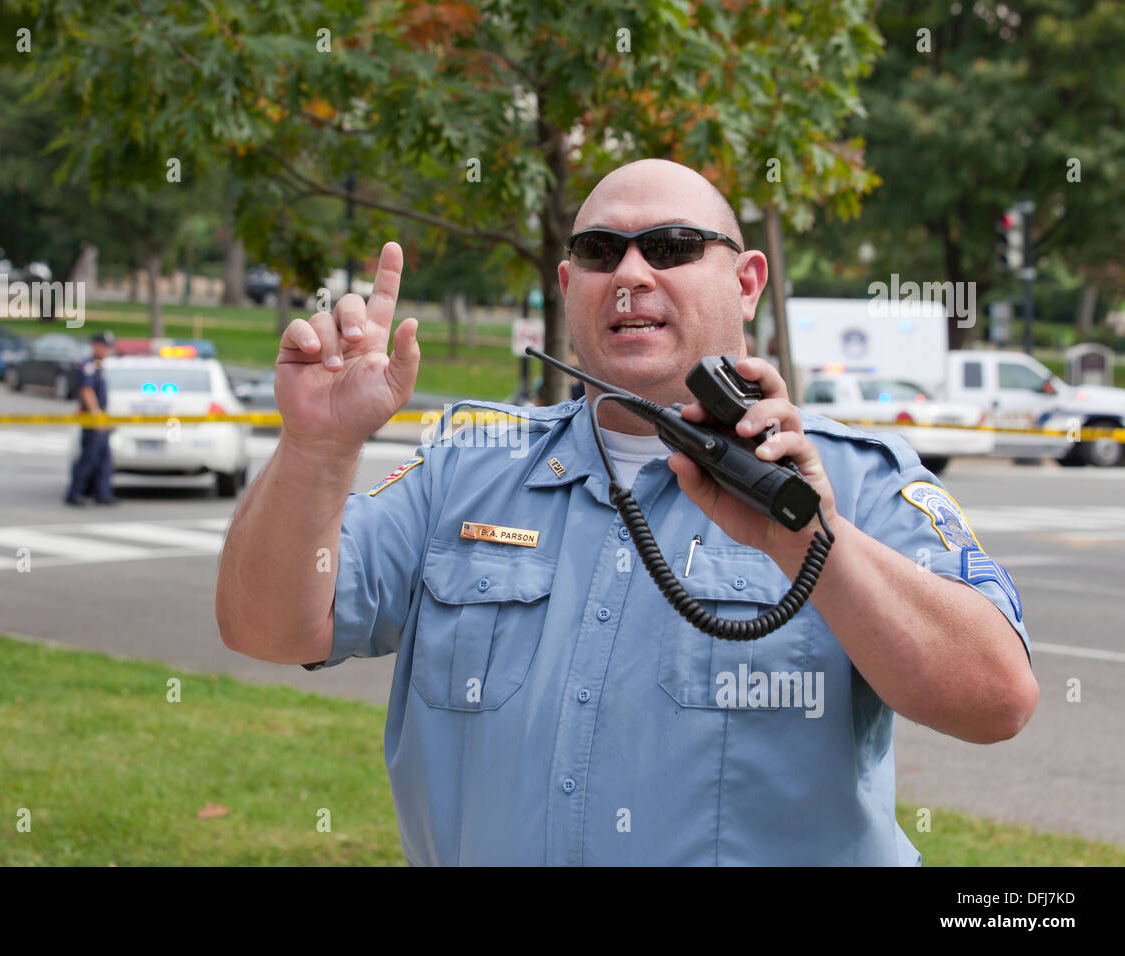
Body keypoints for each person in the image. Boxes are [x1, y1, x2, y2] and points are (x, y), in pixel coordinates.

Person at [215, 159, 1038, 866]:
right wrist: (317, 452)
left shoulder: (849, 478)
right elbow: (269, 628)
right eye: (601, 251)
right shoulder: (470, 463)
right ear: (570, 285)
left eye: (673, 247)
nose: (632, 274)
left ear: (746, 281)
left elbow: (996, 700)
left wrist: (810, 541)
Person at [65, 331, 116, 506]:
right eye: (104, 346)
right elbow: (86, 391)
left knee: (104, 459)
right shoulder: (88, 365)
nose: (107, 350)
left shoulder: (99, 365)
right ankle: (75, 493)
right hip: (92, 418)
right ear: (95, 345)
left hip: (100, 416)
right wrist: (96, 416)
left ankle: (102, 494)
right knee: (88, 457)